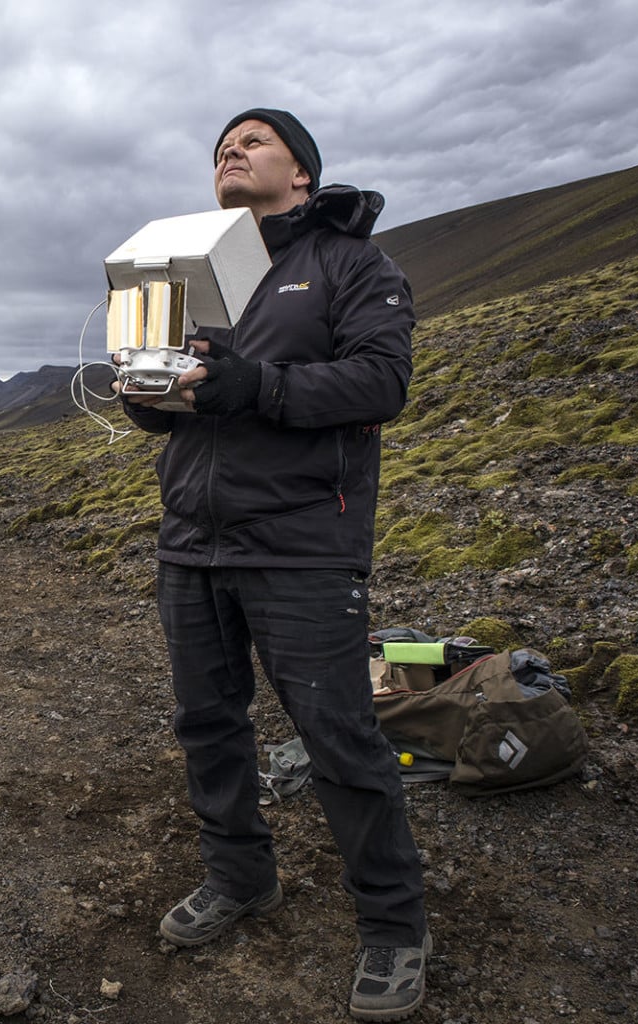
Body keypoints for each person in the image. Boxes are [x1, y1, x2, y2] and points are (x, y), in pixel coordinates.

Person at [116, 108, 430, 1021]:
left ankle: (393, 926)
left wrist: (258, 385)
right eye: (221, 145)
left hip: (300, 544)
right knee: (208, 725)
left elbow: (384, 382)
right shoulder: (186, 275)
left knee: (339, 736)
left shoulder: (349, 264)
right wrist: (149, 393)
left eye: (252, 141)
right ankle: (241, 877)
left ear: (302, 173)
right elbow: (172, 404)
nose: (230, 151)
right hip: (192, 540)